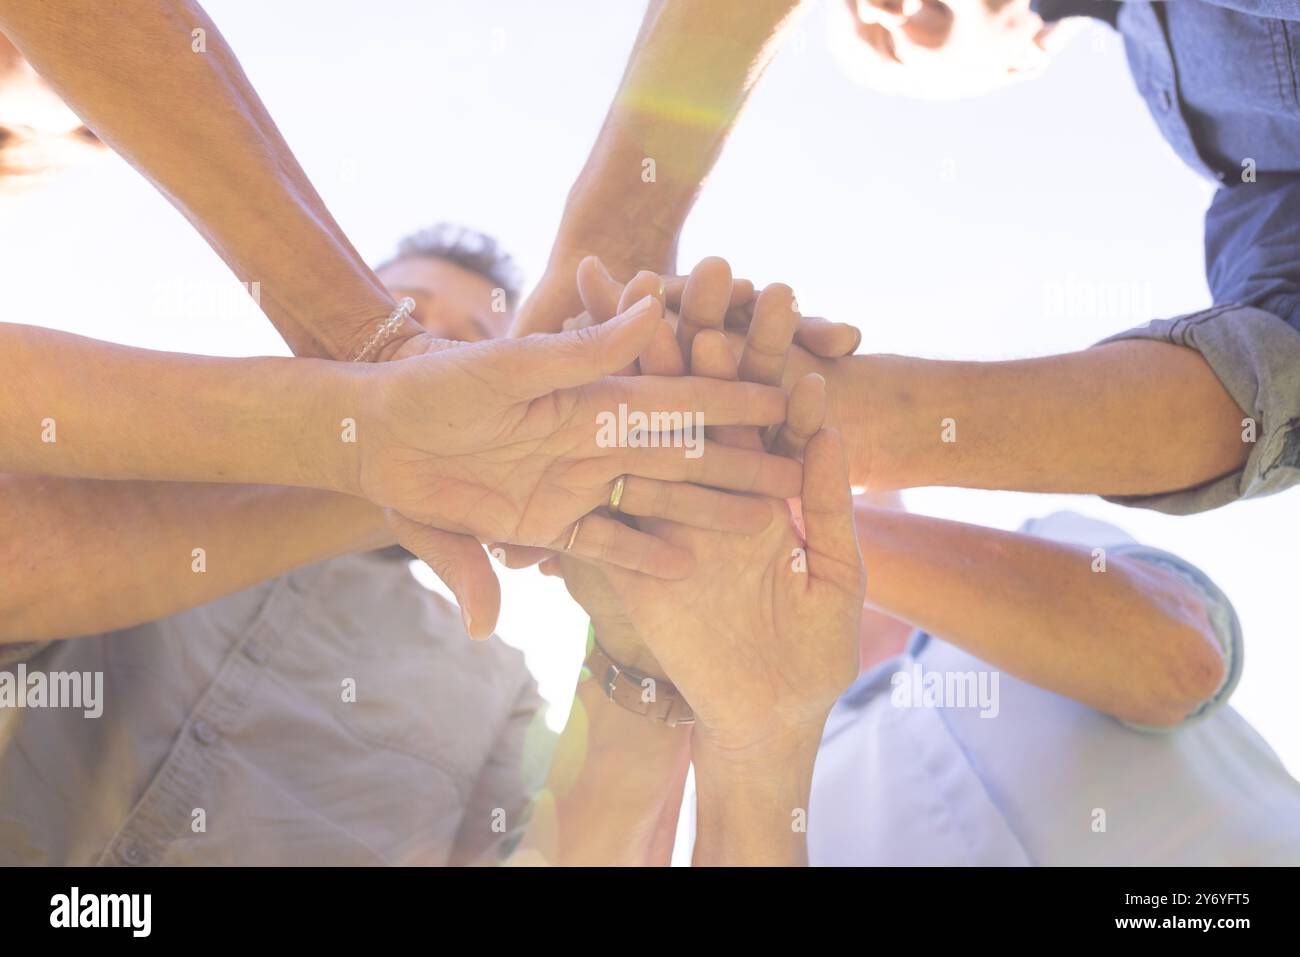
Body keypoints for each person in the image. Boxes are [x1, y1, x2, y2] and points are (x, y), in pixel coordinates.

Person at [520, 257, 1300, 866]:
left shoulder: (1053, 544)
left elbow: (1181, 661)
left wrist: (786, 501)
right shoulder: (759, 756)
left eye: (844, 470)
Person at [519, 0, 1300, 514]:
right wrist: (823, 416)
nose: (889, 4)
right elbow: (1270, 376)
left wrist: (609, 247)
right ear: (1019, 64)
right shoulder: (1236, 147)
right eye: (886, 41)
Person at [0, 226, 560, 866]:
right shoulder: (108, 475)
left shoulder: (501, 685)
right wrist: (376, 462)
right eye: (403, 313)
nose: (429, 354)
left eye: (466, 346)